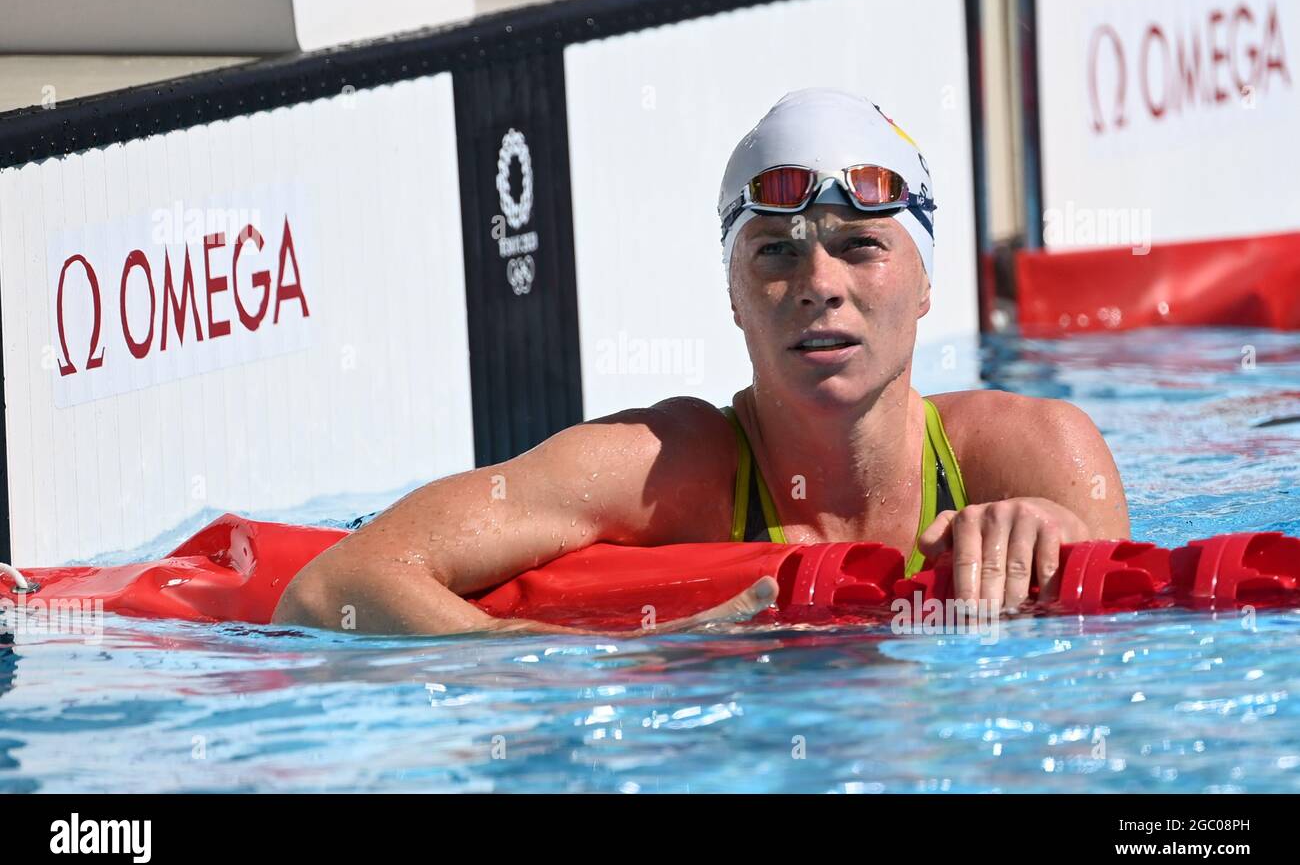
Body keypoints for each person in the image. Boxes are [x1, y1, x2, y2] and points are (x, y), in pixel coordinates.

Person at [273, 88, 1130, 635]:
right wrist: (562, 655)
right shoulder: (661, 469)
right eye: (776, 253)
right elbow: (335, 585)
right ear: (731, 294)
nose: (818, 285)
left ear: (927, 285)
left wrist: (1068, 546)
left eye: (860, 246)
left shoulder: (1037, 454)